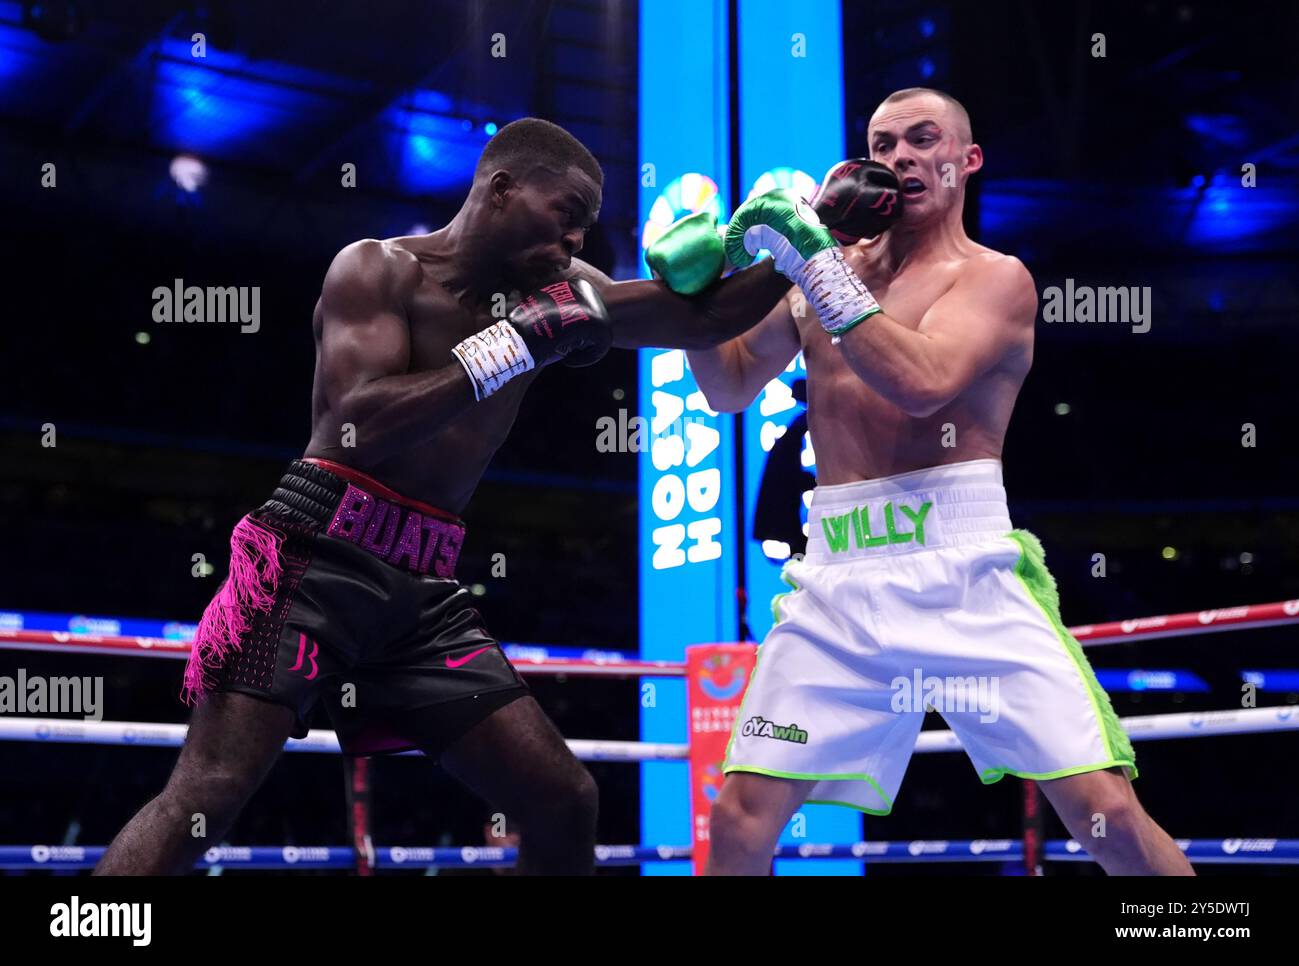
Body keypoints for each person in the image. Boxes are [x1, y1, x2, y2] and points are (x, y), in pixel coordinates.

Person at [95, 117, 792, 875]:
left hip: (421, 594)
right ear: (500, 189)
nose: (576, 244)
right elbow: (356, 422)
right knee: (211, 793)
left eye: (586, 230)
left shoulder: (566, 290)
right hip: (312, 560)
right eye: (566, 216)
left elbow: (704, 317)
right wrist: (509, 345)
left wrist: (805, 241)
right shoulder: (377, 270)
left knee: (564, 800)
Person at [691, 88, 1194, 875]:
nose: (901, 159)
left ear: (968, 158)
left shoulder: (996, 280)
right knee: (739, 820)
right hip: (838, 577)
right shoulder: (813, 279)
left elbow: (922, 381)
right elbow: (725, 387)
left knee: (1105, 814)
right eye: (884, 144)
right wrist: (699, 295)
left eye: (924, 141)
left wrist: (815, 260)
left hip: (967, 572)